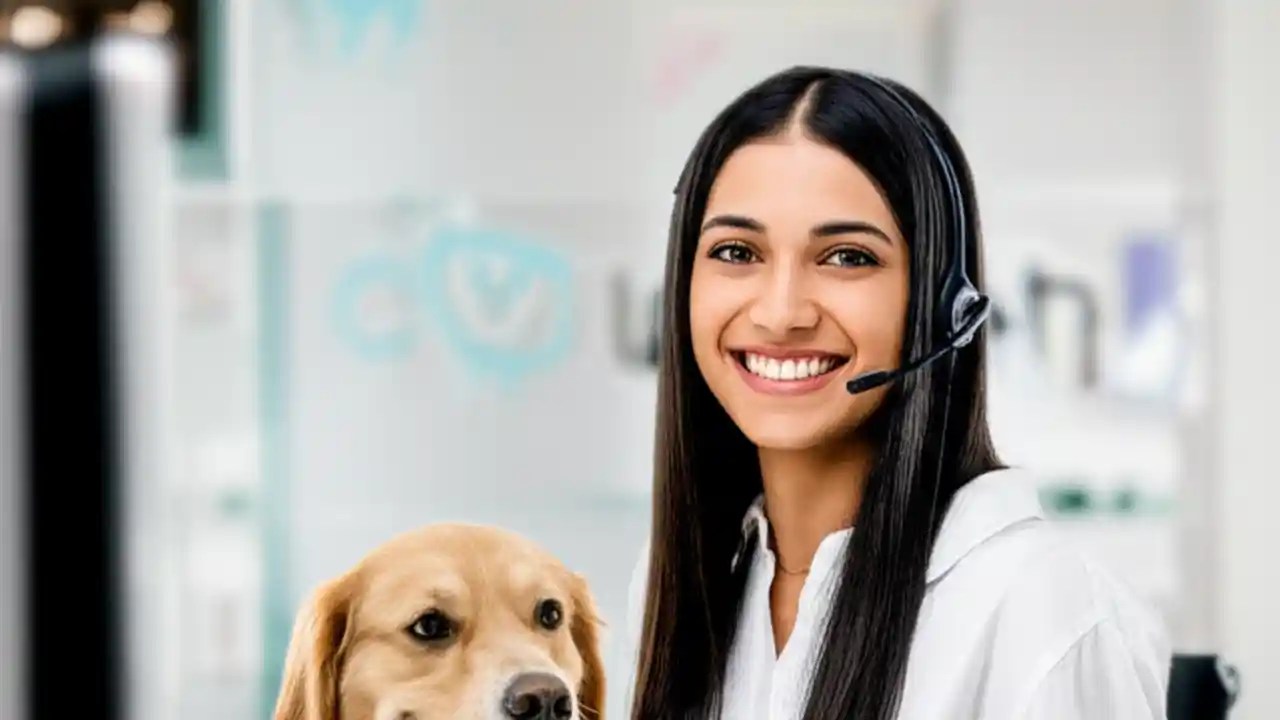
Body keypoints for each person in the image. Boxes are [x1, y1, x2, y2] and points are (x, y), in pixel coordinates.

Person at [621, 66, 1170, 720]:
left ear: (945, 307)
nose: (780, 312)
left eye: (847, 256)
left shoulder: (1037, 608)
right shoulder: (681, 582)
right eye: (738, 252)